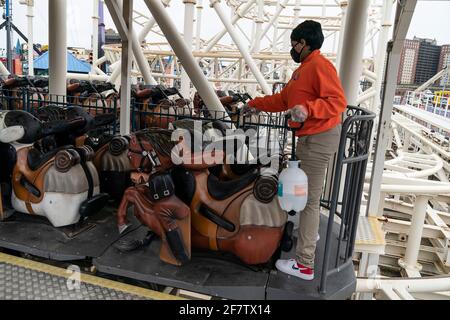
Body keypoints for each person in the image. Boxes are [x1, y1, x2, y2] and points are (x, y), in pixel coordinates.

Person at [244, 20, 347, 281]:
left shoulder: (320, 66)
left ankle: (305, 265)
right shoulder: (303, 70)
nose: (292, 47)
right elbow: (283, 100)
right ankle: (309, 236)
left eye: (294, 43)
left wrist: (308, 110)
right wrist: (256, 104)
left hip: (318, 138)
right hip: (310, 138)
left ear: (305, 43)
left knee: (310, 201)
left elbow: (337, 101)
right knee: (306, 196)